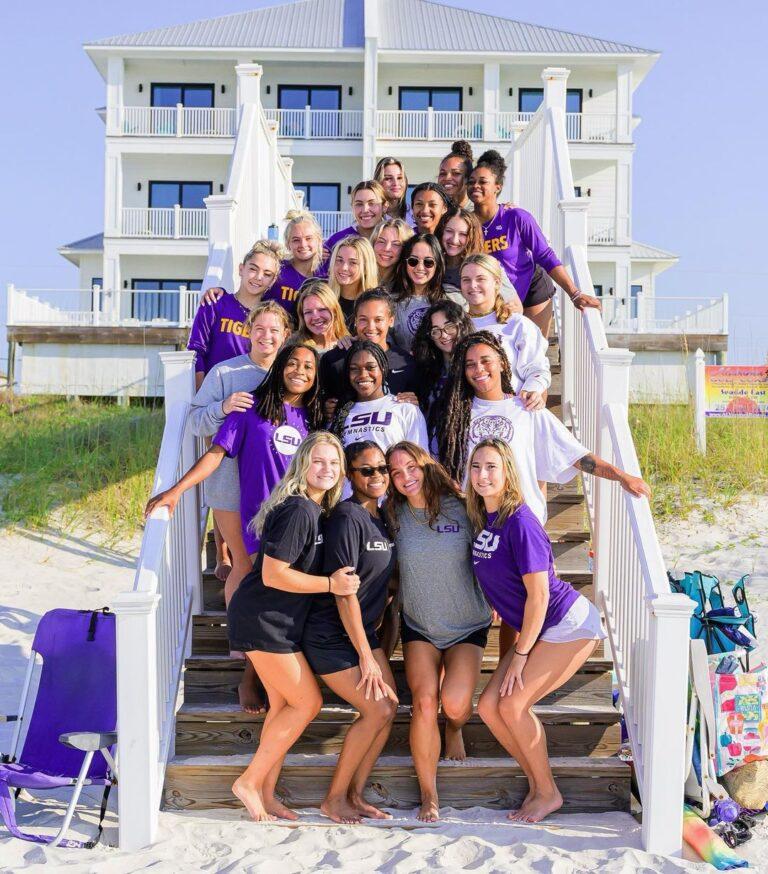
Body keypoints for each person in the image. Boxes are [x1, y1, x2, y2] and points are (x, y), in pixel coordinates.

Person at [468, 438, 608, 823]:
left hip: (566, 624)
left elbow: (540, 594)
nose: (482, 474)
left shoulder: (521, 521)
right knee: (488, 708)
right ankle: (536, 783)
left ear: (508, 471)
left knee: (513, 704)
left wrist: (520, 655)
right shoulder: (486, 517)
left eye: (491, 466)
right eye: (476, 466)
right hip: (536, 628)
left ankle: (548, 792)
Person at [226, 432, 359, 822]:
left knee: (283, 705)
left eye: (334, 464)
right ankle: (249, 781)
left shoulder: (315, 511)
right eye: (319, 461)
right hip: (263, 618)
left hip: (279, 622)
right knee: (308, 702)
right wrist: (332, 584)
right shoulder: (299, 509)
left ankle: (266, 793)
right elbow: (272, 574)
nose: (327, 470)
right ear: (302, 463)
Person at [437, 332, 651, 521]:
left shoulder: (526, 408)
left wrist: (621, 476)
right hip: (476, 524)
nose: (479, 369)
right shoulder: (455, 416)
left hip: (522, 520)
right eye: (470, 364)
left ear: (502, 363)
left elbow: (576, 456)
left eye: (486, 361)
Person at [385, 441, 491, 823]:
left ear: (425, 465)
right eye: (396, 473)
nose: (405, 478)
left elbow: (493, 551)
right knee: (425, 702)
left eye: (410, 467)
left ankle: (455, 729)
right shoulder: (392, 513)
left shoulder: (462, 507)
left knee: (457, 704)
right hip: (420, 625)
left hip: (467, 623)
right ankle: (429, 795)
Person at [302, 441, 399, 823]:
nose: (377, 476)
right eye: (366, 470)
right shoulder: (346, 517)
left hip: (364, 633)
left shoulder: (381, 517)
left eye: (382, 469)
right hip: (331, 632)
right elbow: (344, 593)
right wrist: (365, 656)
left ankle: (355, 795)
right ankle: (334, 798)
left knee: (389, 708)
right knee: (376, 709)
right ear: (349, 476)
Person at [190, 302, 292, 585]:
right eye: (259, 328)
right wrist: (223, 407)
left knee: (278, 568)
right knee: (244, 566)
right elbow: (195, 422)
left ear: (286, 334)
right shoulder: (225, 373)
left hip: (276, 487)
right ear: (248, 332)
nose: (266, 336)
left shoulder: (292, 374)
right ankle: (237, 629)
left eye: (274, 329)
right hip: (230, 487)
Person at [468, 150, 600, 337]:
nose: (475, 186)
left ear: (498, 186)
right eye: (471, 181)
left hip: (530, 295)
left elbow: (545, 256)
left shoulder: (517, 217)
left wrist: (575, 294)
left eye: (483, 182)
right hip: (488, 306)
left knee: (534, 354)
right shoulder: (464, 225)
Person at [459, 254, 551, 411]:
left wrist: (534, 390)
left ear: (496, 282)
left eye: (480, 279)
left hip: (513, 410)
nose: (473, 285)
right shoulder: (457, 326)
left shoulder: (517, 324)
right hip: (468, 412)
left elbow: (537, 368)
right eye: (466, 280)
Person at [187, 240, 282, 389]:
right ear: (241, 269)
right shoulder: (214, 303)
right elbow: (196, 349)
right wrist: (201, 391)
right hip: (216, 393)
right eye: (253, 269)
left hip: (253, 395)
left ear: (272, 280)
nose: (258, 277)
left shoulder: (270, 317)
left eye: (267, 274)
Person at [320, 288, 419, 404]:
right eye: (363, 320)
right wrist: (326, 408)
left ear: (391, 321)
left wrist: (415, 403)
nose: (371, 327)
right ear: (355, 320)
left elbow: (415, 406)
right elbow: (322, 402)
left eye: (378, 320)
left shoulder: (407, 363)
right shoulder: (334, 360)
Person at [330, 340, 429, 453]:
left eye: (370, 367)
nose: (363, 375)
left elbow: (420, 461)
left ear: (383, 369)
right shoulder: (340, 414)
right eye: (354, 369)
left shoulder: (406, 409)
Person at [411, 300, 474, 443]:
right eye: (436, 331)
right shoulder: (425, 371)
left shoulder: (474, 365)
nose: (444, 335)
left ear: (462, 326)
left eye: (449, 327)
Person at [390, 234, 448, 352]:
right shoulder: (390, 303)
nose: (420, 267)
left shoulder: (452, 298)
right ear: (405, 263)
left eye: (428, 262)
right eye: (413, 261)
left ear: (438, 264)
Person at [265, 210, 324, 321]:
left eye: (309, 238)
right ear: (288, 244)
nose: (303, 244)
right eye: (296, 240)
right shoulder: (277, 270)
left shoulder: (326, 275)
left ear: (319, 240)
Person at [320, 181, 388, 273]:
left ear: (384, 206)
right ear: (352, 207)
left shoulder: (393, 240)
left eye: (372, 203)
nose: (365, 210)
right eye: (359, 204)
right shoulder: (337, 240)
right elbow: (321, 276)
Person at [327, 236, 379, 330]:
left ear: (366, 268)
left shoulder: (377, 303)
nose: (344, 268)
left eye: (353, 263)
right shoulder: (322, 297)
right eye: (339, 260)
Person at [292, 279, 350, 355]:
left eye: (322, 309)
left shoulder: (348, 345)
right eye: (308, 312)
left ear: (335, 311)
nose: (315, 317)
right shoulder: (293, 347)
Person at [371, 218, 414, 287]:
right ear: (373, 243)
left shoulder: (409, 285)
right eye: (381, 241)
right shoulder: (359, 276)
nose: (386, 248)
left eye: (396, 244)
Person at [437, 140, 474, 208]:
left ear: (468, 179)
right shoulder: (435, 212)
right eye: (443, 173)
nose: (447, 178)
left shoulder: (479, 214)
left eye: (456, 173)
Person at [374, 156, 412, 223]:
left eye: (399, 178)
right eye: (388, 178)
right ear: (378, 182)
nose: (396, 183)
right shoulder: (370, 215)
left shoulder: (414, 214)